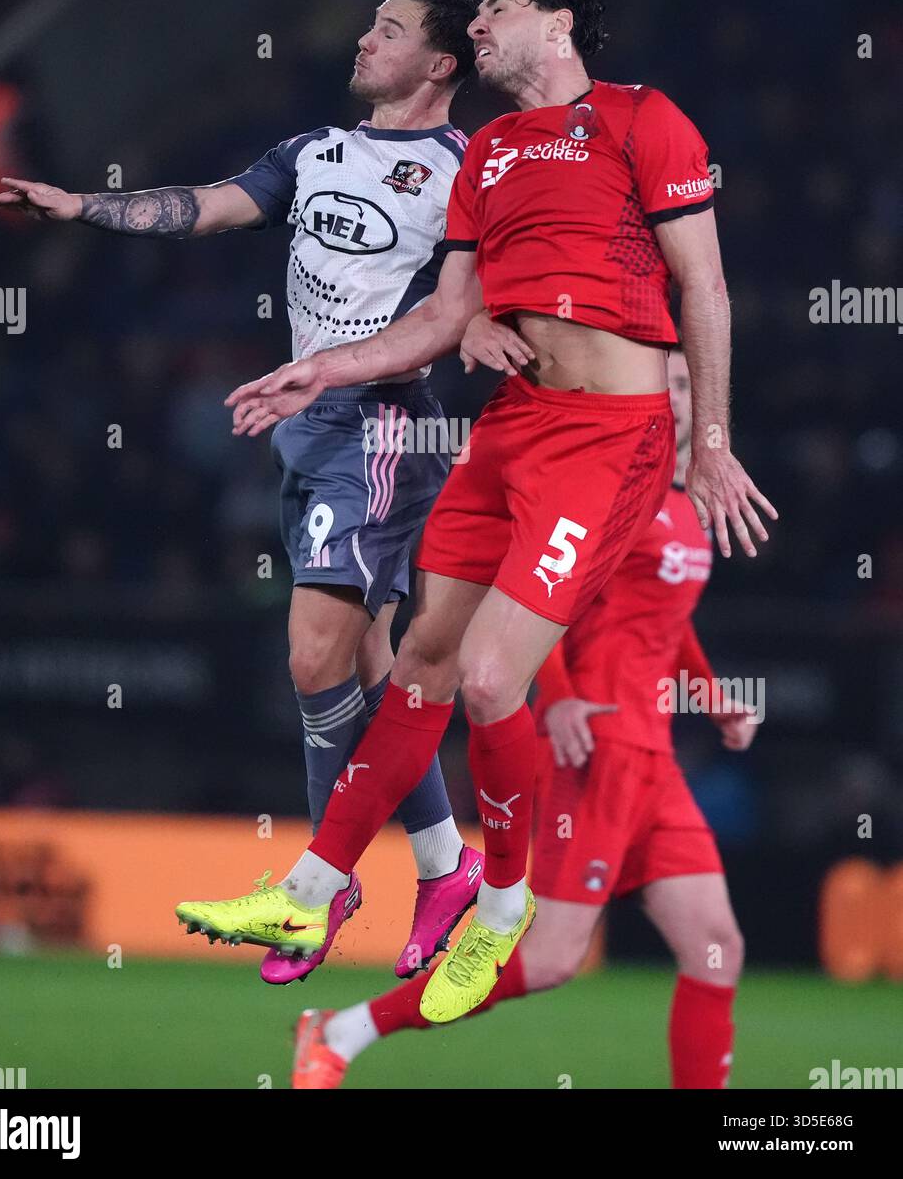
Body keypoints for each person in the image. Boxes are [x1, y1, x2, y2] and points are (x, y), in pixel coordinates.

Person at [193, 0, 777, 1024]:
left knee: (487, 679)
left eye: (499, 9)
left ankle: (499, 905)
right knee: (419, 656)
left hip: (608, 437)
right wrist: (327, 360)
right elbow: (435, 315)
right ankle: (311, 889)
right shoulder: (488, 152)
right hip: (510, 429)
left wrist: (712, 441)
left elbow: (702, 280)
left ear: (554, 26)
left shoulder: (643, 119)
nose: (482, 29)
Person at [0, 0, 488, 984]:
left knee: (313, 659)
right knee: (370, 664)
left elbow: (486, 284)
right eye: (369, 22)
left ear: (439, 64)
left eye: (388, 30)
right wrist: (80, 205)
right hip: (301, 426)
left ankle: (324, 883)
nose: (363, 37)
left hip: (380, 426)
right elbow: (203, 207)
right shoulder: (313, 153)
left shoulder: (461, 169)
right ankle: (440, 865)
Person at [291, 348, 753, 1089]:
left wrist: (711, 692)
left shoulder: (687, 498)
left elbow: (661, 622)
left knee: (717, 947)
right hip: (593, 748)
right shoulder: (624, 485)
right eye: (668, 380)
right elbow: (545, 600)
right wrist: (559, 694)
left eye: (688, 382)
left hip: (655, 763)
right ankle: (343, 1030)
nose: (680, 394)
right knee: (549, 961)